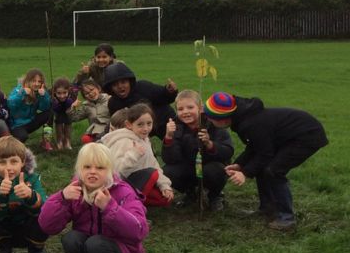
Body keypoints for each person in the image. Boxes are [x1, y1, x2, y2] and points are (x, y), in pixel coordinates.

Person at [39, 143, 149, 253]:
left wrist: (109, 207)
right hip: (91, 252)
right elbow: (47, 226)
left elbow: (139, 230)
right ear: (79, 170)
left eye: (100, 167)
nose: (92, 172)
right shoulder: (75, 190)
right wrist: (61, 197)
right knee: (71, 238)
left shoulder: (123, 192)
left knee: (96, 243)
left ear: (110, 170)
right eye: (87, 167)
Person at [203, 91, 328, 231]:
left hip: (306, 136)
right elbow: (254, 146)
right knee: (263, 169)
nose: (210, 122)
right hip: (288, 137)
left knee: (274, 171)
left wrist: (246, 173)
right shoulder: (243, 118)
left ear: (223, 119)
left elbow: (264, 154)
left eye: (211, 119)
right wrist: (240, 164)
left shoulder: (251, 123)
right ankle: (267, 208)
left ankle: (286, 217)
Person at [0, 136, 51, 253]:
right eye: (2, 162)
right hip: (6, 230)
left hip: (28, 230)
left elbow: (44, 207)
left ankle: (35, 252)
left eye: (14, 161)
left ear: (23, 162)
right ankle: (4, 250)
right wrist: (1, 196)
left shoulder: (33, 179)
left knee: (46, 213)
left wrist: (30, 195)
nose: (8, 167)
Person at [162, 90, 234, 211]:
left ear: (200, 108)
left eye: (190, 107)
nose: (185, 112)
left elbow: (228, 151)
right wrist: (169, 137)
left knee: (214, 171)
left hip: (210, 164)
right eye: (180, 109)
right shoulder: (175, 126)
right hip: (188, 166)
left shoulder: (213, 122)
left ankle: (215, 195)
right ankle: (191, 193)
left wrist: (209, 144)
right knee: (167, 172)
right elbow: (170, 159)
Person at [101, 104, 174, 207]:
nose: (146, 128)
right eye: (140, 124)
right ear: (129, 125)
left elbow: (153, 164)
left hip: (136, 182)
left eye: (149, 123)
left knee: (164, 199)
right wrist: (133, 154)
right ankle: (128, 205)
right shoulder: (123, 141)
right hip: (117, 185)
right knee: (151, 174)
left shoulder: (144, 139)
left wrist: (164, 185)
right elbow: (116, 171)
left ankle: (135, 201)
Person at [101, 63, 178, 140]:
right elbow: (116, 123)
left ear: (130, 82)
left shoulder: (143, 87)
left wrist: (170, 92)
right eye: (115, 85)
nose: (120, 87)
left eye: (123, 82)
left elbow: (163, 96)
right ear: (110, 88)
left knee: (174, 142)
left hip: (163, 120)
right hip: (139, 129)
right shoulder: (113, 103)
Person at [7, 68, 52, 150]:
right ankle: (10, 143)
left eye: (39, 81)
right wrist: (23, 94)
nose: (37, 84)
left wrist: (44, 96)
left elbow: (44, 108)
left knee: (49, 113)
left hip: (30, 121)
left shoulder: (39, 92)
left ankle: (46, 141)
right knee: (23, 137)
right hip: (16, 125)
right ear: (28, 81)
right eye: (34, 81)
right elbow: (11, 104)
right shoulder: (19, 90)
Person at [69, 78, 111, 144]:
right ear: (85, 97)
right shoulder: (87, 106)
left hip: (108, 131)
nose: (90, 94)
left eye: (92, 90)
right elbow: (74, 118)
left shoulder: (108, 100)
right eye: (87, 93)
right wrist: (72, 108)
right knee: (85, 139)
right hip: (94, 133)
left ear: (98, 88)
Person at [49, 77, 77, 151]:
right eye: (59, 93)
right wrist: (55, 102)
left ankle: (67, 140)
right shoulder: (52, 96)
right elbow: (54, 108)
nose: (62, 96)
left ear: (68, 91)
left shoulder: (72, 94)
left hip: (68, 109)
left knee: (68, 121)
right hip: (58, 109)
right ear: (54, 92)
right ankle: (59, 140)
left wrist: (72, 105)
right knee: (58, 121)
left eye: (64, 92)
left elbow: (78, 82)